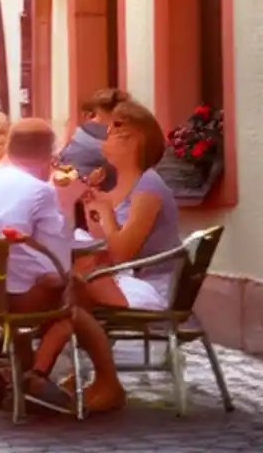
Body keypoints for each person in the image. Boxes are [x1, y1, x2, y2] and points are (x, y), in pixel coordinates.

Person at [0, 118, 123, 413]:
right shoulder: (40, 190)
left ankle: (9, 369)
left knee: (61, 295)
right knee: (74, 292)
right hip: (20, 300)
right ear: (48, 156)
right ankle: (86, 381)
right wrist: (68, 203)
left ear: (9, 148)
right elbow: (59, 252)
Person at [34, 100, 182, 410]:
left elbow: (123, 252)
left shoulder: (150, 186)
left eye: (115, 130)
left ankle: (69, 374)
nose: (106, 136)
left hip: (151, 287)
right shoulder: (122, 187)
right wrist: (92, 210)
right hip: (125, 280)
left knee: (68, 281)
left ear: (134, 141)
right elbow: (104, 244)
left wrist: (105, 215)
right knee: (66, 283)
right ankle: (61, 373)